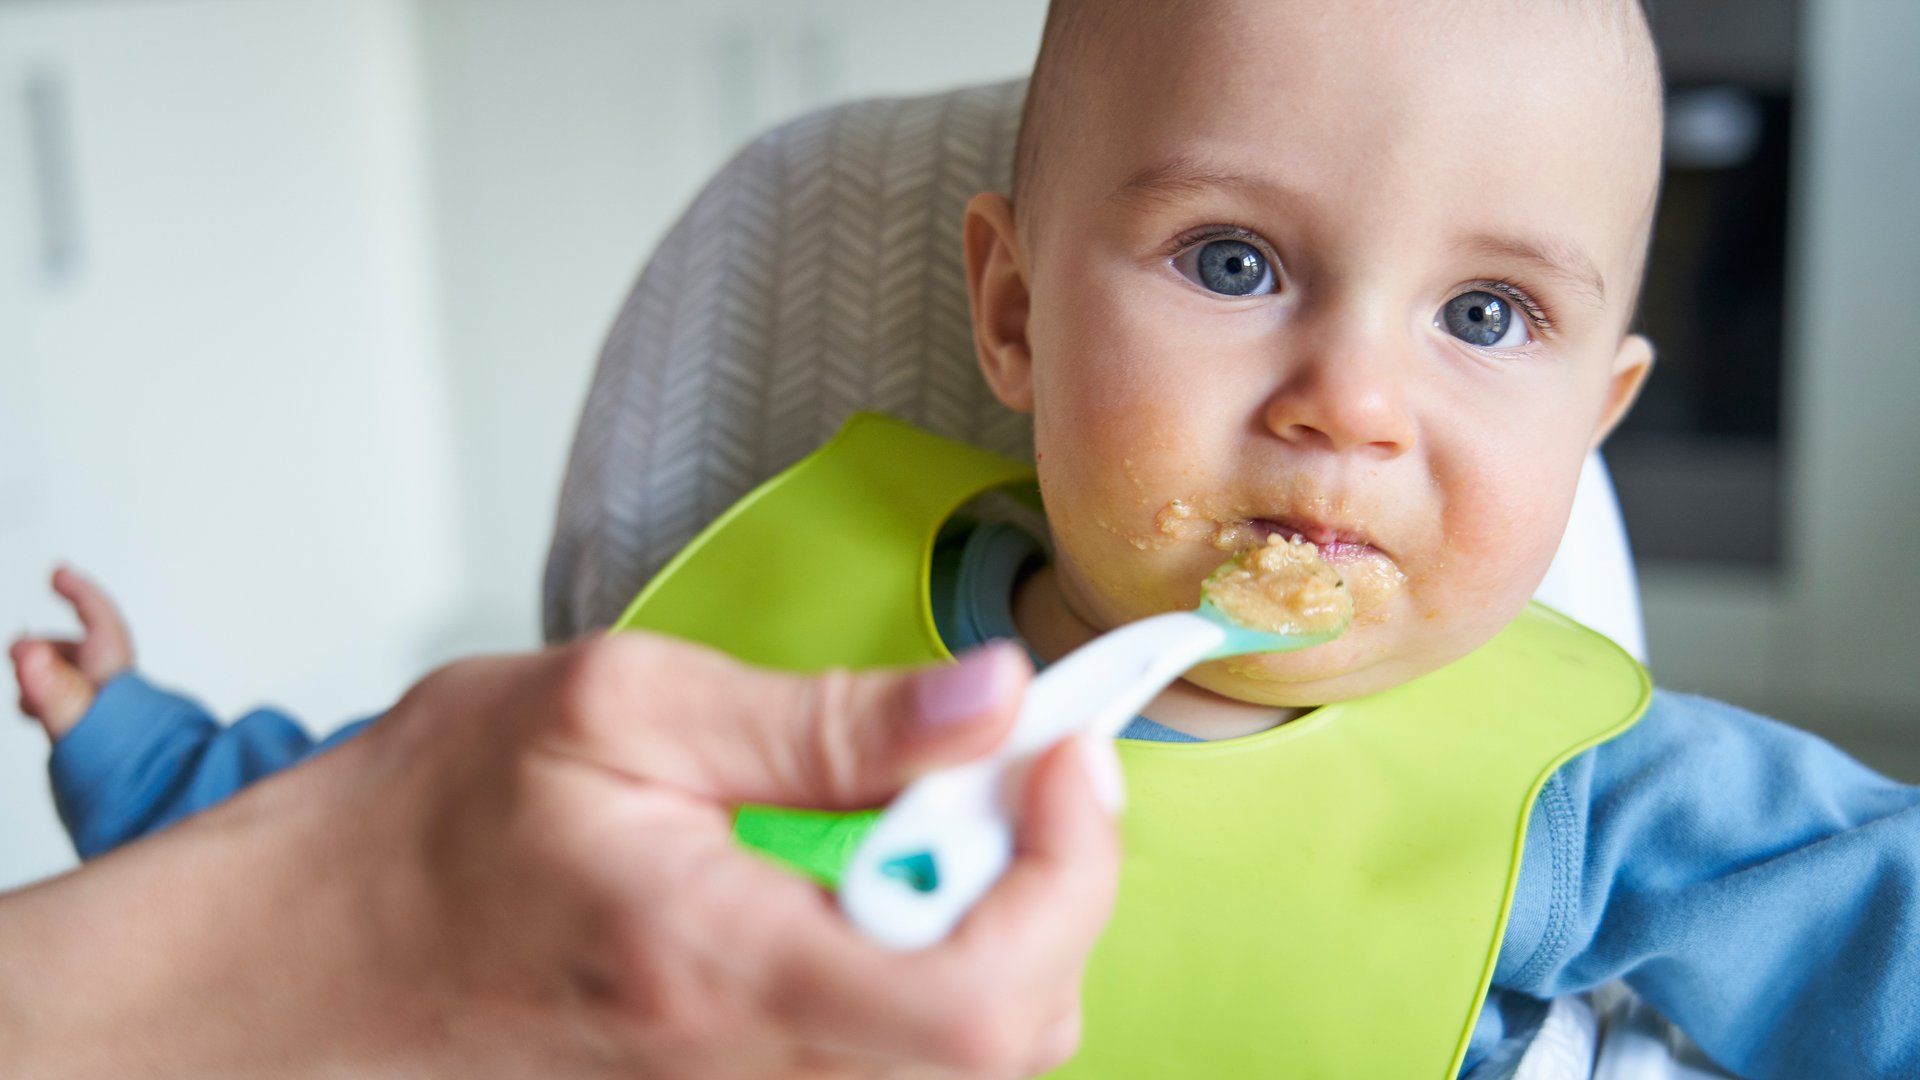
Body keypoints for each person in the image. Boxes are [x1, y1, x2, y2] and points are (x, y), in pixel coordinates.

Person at [12, 0, 1920, 1075]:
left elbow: (1871, 919)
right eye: (1235, 263)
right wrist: (159, 757)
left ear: (1598, 412)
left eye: (1485, 316)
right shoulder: (781, 639)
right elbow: (439, 847)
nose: (1353, 399)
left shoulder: (1582, 776)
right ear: (1011, 317)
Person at [4, 595, 1121, 1077]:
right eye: (1228, 265)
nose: (1308, 399)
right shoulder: (582, 772)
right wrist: (135, 745)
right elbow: (291, 843)